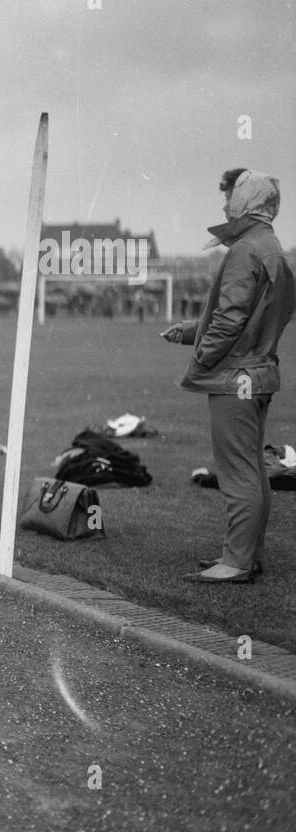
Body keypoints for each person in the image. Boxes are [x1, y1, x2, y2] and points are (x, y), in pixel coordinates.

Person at [162, 169, 294, 583]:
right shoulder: (272, 248)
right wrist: (191, 332)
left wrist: (201, 359)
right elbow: (253, 318)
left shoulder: (244, 250)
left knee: (237, 472)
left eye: (230, 198)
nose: (224, 206)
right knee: (252, 468)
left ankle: (235, 563)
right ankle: (244, 557)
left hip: (234, 378)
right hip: (259, 373)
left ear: (246, 203)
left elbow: (230, 319)